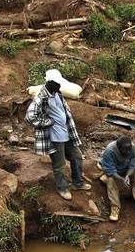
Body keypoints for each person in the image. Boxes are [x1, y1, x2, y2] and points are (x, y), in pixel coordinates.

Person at [26, 69, 91, 200]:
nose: (59, 86)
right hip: (55, 137)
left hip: (66, 134)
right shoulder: (42, 97)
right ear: (49, 83)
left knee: (77, 157)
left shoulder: (58, 93)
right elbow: (30, 116)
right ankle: (62, 188)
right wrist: (46, 122)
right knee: (59, 164)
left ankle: (77, 183)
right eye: (56, 84)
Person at [100, 136, 135, 221]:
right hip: (115, 172)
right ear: (119, 148)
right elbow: (110, 170)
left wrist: (127, 175)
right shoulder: (110, 151)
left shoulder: (132, 148)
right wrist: (121, 179)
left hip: (126, 170)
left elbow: (134, 164)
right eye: (125, 150)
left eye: (129, 149)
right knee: (110, 179)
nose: (128, 152)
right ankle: (115, 207)